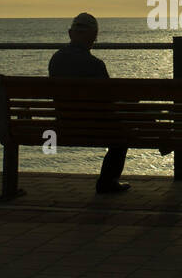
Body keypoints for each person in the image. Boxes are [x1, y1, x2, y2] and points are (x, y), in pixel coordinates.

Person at [48, 13, 130, 194]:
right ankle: (107, 181)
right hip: (93, 126)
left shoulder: (56, 60)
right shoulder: (95, 64)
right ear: (93, 36)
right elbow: (109, 101)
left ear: (70, 34)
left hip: (64, 124)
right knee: (123, 130)